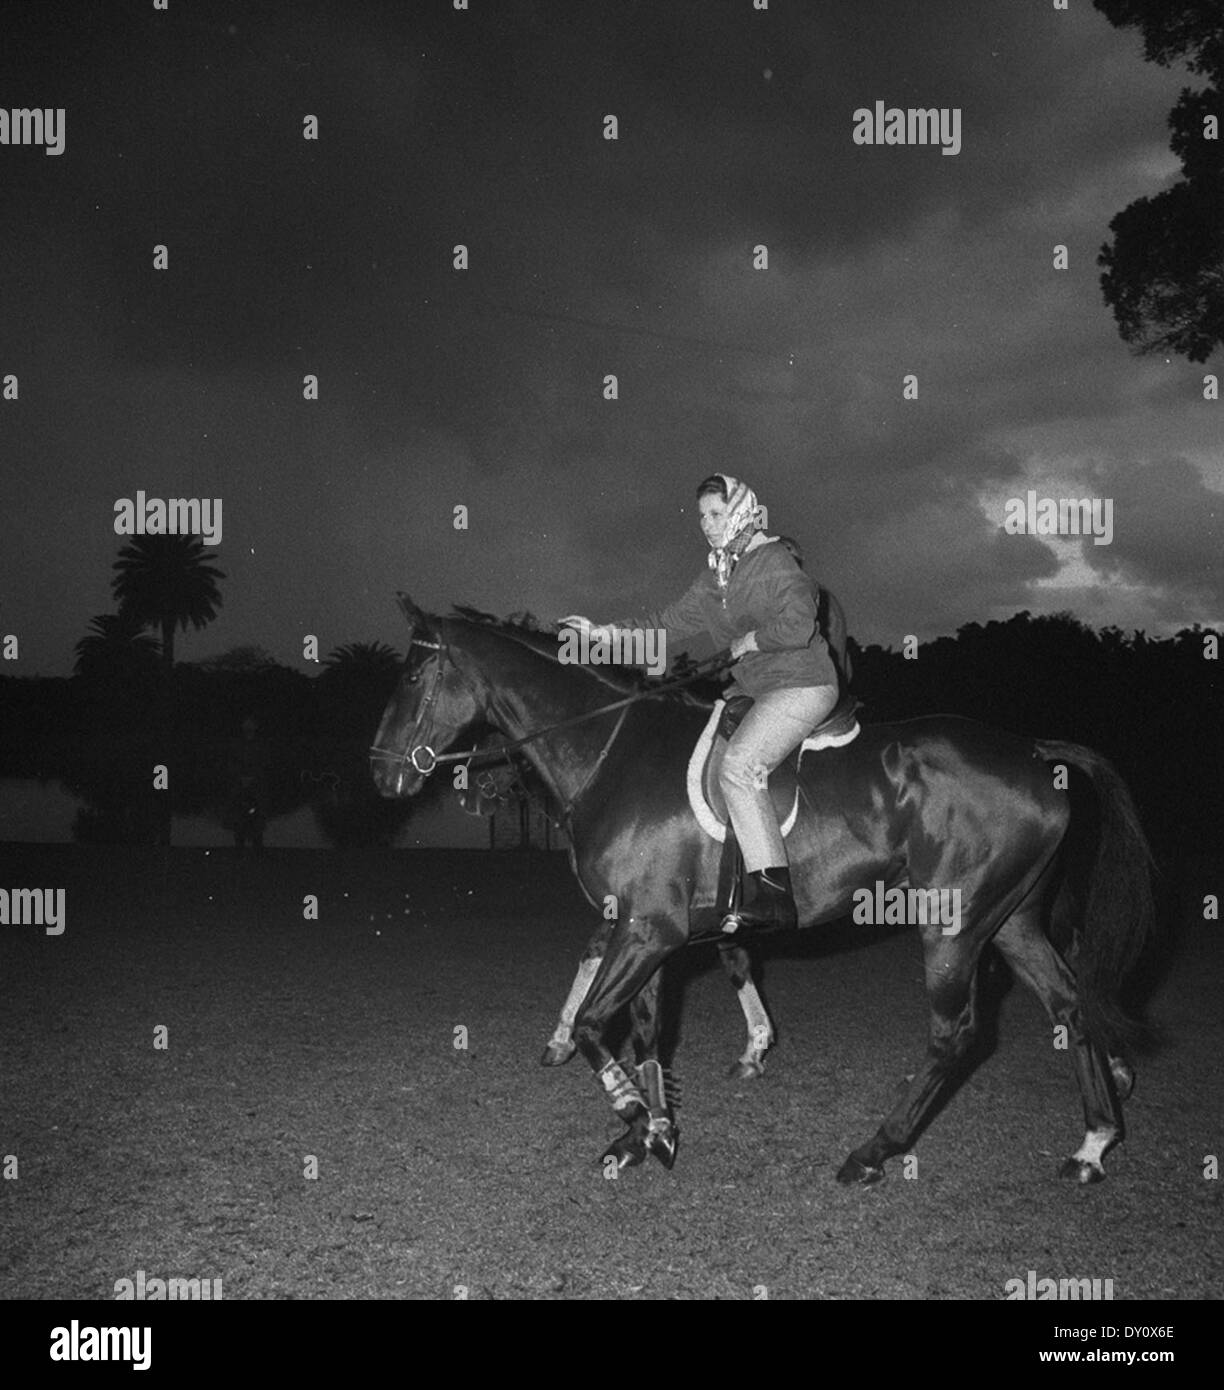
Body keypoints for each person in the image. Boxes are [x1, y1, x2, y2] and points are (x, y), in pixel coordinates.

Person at [562, 474, 838, 931]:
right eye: (703, 517)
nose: (708, 525)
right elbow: (664, 625)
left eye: (717, 514)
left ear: (742, 511)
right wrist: (602, 635)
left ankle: (775, 899)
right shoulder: (714, 580)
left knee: (738, 767)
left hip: (801, 684)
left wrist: (751, 640)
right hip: (752, 693)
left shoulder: (772, 560)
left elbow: (801, 622)